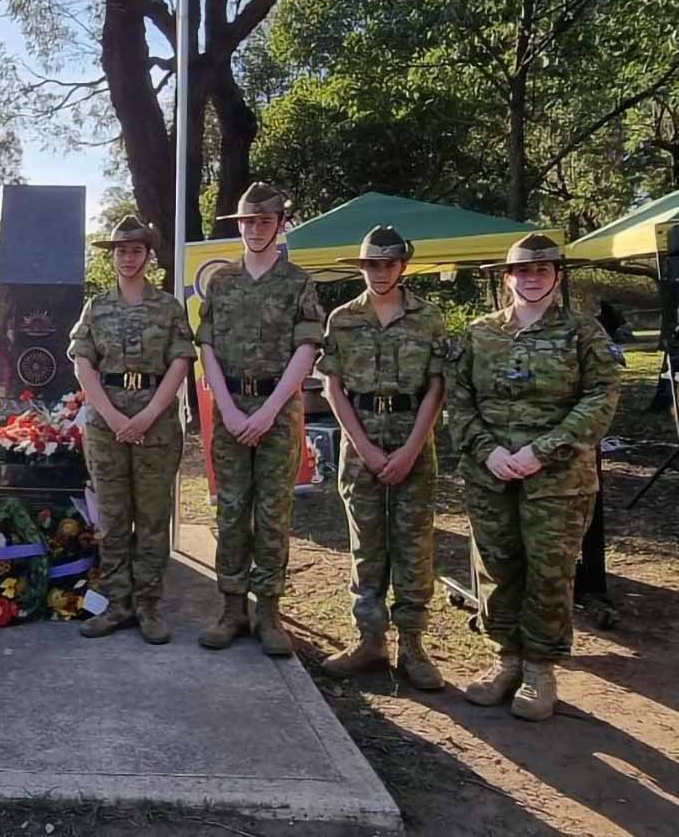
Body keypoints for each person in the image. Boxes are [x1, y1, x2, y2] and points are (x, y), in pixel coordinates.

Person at [449, 234, 620, 721]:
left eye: (541, 271)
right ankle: (505, 659)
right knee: (497, 567)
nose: (531, 279)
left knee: (550, 570)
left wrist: (540, 451)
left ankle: (541, 668)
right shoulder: (479, 333)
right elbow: (458, 400)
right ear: (507, 278)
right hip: (492, 474)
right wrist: (490, 451)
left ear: (557, 278)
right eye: (522, 272)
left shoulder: (582, 332)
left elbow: (601, 399)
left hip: (558, 477)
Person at [196, 182, 324, 657]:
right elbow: (205, 346)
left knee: (273, 513)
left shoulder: (298, 282)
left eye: (264, 221)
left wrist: (270, 411)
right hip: (229, 406)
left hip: (279, 409)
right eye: (247, 222)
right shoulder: (223, 281)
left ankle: (268, 612)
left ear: (279, 225)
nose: (254, 229)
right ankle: (231, 609)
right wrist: (227, 408)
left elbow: (306, 348)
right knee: (231, 510)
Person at [317, 226, 447, 690]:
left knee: (414, 546)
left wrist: (412, 447)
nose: (380, 272)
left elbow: (437, 385)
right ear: (362, 267)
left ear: (403, 267)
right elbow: (333, 386)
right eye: (372, 264)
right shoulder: (343, 319)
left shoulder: (428, 317)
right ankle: (370, 640)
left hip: (414, 437)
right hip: (362, 440)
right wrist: (367, 448)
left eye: (388, 264)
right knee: (366, 544)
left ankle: (413, 645)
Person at [68, 215, 194, 644]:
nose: (127, 257)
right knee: (114, 516)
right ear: (113, 256)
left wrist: (148, 414)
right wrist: (113, 416)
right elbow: (82, 362)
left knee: (154, 516)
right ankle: (117, 602)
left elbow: (180, 362)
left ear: (148, 255)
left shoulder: (167, 307)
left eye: (136, 250)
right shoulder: (97, 307)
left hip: (155, 425)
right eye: (121, 250)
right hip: (108, 425)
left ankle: (149, 605)